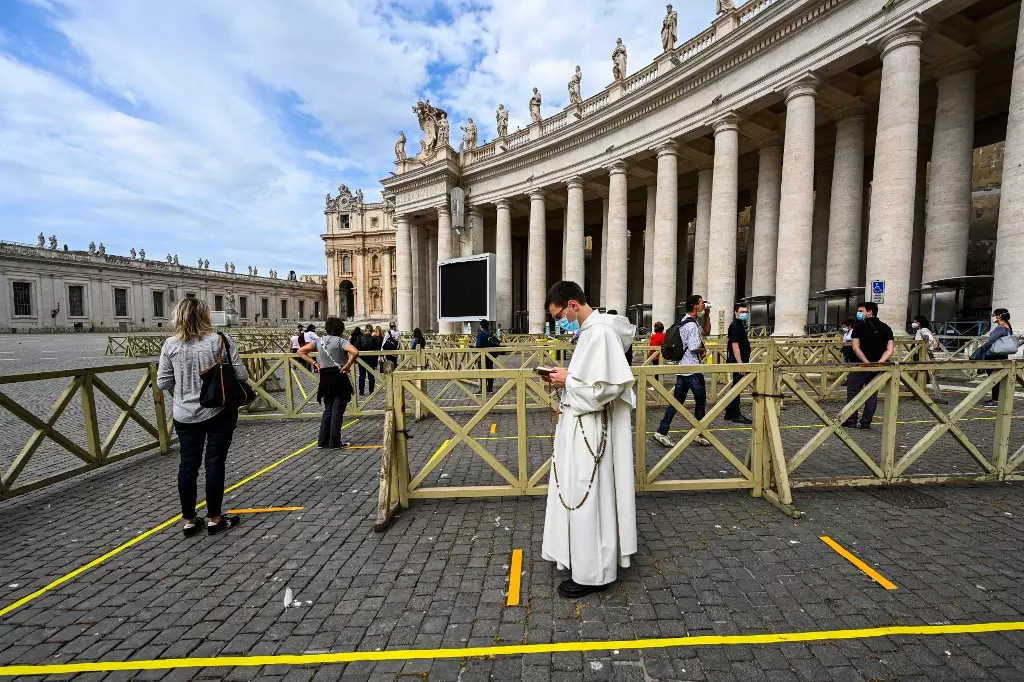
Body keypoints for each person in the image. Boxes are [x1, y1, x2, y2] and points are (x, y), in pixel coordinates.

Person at [540, 281, 637, 598]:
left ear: (572, 304)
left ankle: (595, 573)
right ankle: (581, 559)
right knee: (578, 494)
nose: (559, 322)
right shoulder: (589, 333)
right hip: (577, 425)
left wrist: (569, 379)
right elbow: (590, 377)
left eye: (559, 316)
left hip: (590, 430)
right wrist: (565, 375)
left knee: (589, 498)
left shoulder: (600, 333)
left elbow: (607, 389)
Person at [157, 297, 246, 537]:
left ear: (178, 317)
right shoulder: (219, 340)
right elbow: (241, 374)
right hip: (217, 410)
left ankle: (188, 521)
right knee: (214, 463)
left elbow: (163, 381)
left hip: (183, 414)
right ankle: (215, 519)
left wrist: (183, 392)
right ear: (206, 316)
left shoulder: (170, 345)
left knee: (188, 465)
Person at [651, 295, 712, 447]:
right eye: (701, 303)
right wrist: (703, 349)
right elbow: (693, 347)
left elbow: (707, 331)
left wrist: (708, 315)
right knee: (701, 400)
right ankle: (699, 432)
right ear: (695, 306)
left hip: (682, 369)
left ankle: (661, 431)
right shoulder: (691, 326)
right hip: (692, 370)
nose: (703, 305)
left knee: (676, 402)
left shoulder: (686, 322)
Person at [297, 316, 358, 448]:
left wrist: (314, 363)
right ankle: (335, 441)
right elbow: (355, 351)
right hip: (339, 376)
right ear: (340, 328)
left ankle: (322, 441)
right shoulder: (341, 341)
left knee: (328, 409)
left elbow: (300, 351)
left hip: (325, 378)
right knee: (338, 409)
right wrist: (348, 364)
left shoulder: (319, 341)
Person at [843, 301, 894, 429]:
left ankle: (851, 421)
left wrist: (866, 363)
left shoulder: (858, 327)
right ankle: (866, 422)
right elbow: (890, 349)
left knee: (853, 391)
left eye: (861, 311)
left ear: (870, 311)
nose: (858, 313)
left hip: (860, 364)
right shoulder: (887, 328)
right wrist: (879, 363)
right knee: (872, 393)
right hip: (877, 365)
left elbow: (856, 347)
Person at [976, 308, 1014, 407]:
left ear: (1000, 316)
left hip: (993, 355)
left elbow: (990, 342)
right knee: (999, 378)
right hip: (1003, 355)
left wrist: (981, 350)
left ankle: (995, 400)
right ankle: (998, 399)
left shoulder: (1000, 328)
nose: (994, 317)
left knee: (993, 378)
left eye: (995, 315)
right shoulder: (1008, 327)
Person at [724, 303, 752, 424]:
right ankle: (735, 414)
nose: (744, 314)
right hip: (739, 360)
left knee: (736, 385)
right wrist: (740, 363)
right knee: (738, 386)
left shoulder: (739, 325)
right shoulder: (735, 326)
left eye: (746, 312)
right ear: (736, 313)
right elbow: (735, 346)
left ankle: (730, 413)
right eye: (742, 312)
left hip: (740, 359)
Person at [912, 315, 945, 402]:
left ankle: (919, 391)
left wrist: (926, 347)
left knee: (922, 372)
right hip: (919, 352)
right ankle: (917, 390)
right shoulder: (920, 330)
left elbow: (930, 340)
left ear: (920, 323)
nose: (914, 324)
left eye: (916, 322)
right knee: (918, 371)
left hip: (922, 353)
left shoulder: (924, 330)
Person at [475, 320, 500, 392]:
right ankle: (489, 389)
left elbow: (478, 345)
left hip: (483, 356)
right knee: (490, 371)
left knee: (482, 372)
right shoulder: (490, 334)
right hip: (490, 355)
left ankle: (483, 389)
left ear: (481, 326)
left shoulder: (481, 334)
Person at [356, 323, 379, 396]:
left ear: (365, 330)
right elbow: (377, 350)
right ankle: (371, 390)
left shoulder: (360, 337)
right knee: (371, 376)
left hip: (362, 359)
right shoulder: (375, 339)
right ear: (372, 331)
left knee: (362, 375)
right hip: (371, 360)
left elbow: (356, 347)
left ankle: (361, 391)